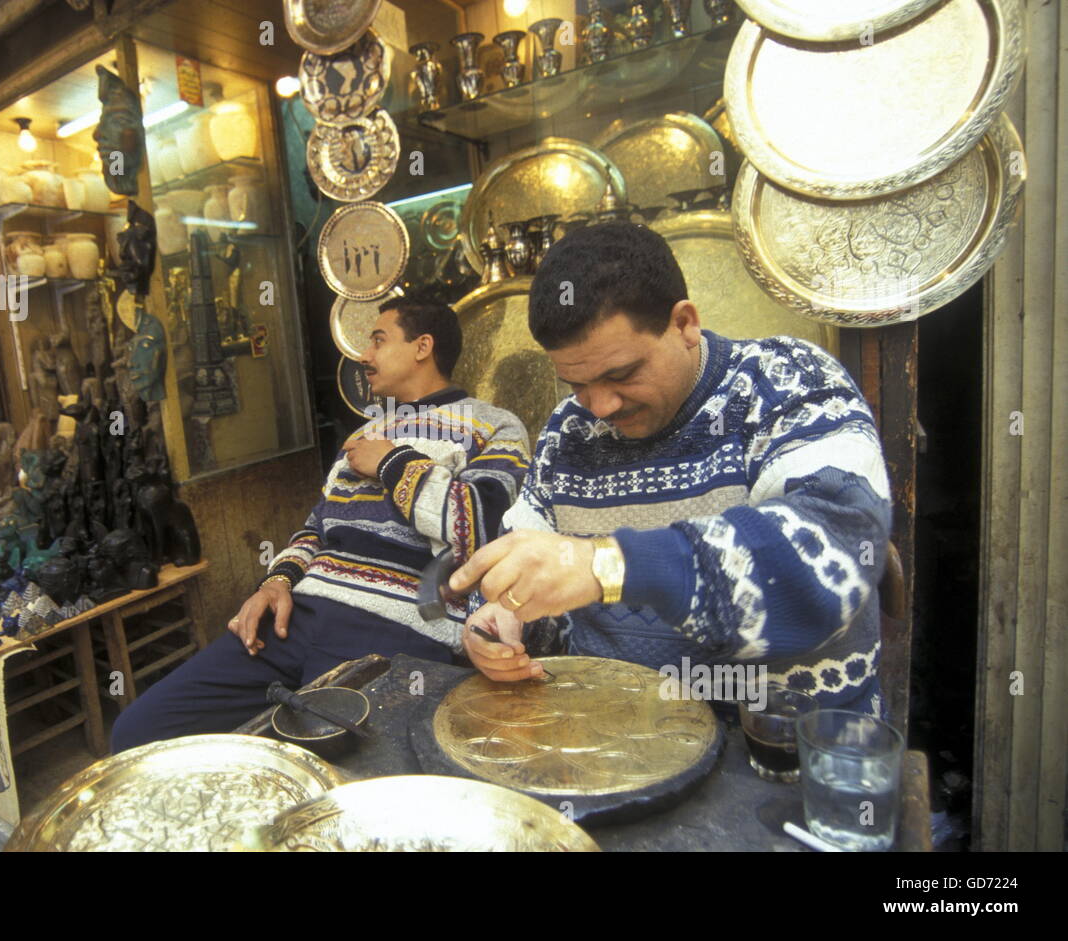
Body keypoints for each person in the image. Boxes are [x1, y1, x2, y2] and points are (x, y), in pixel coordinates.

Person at [452, 221, 893, 718]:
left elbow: (828, 559)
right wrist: (499, 622)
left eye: (620, 374)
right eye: (575, 384)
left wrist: (606, 565)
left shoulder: (787, 381)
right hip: (615, 734)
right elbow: (524, 564)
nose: (598, 406)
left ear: (684, 323)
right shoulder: (568, 431)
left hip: (777, 743)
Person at [111, 295, 530, 751]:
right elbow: (316, 526)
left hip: (395, 629)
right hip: (296, 618)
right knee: (138, 733)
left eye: (378, 340)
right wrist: (276, 582)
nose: (364, 355)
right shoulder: (362, 435)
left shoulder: (494, 426)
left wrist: (392, 462)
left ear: (422, 346)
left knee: (331, 769)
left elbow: (481, 529)